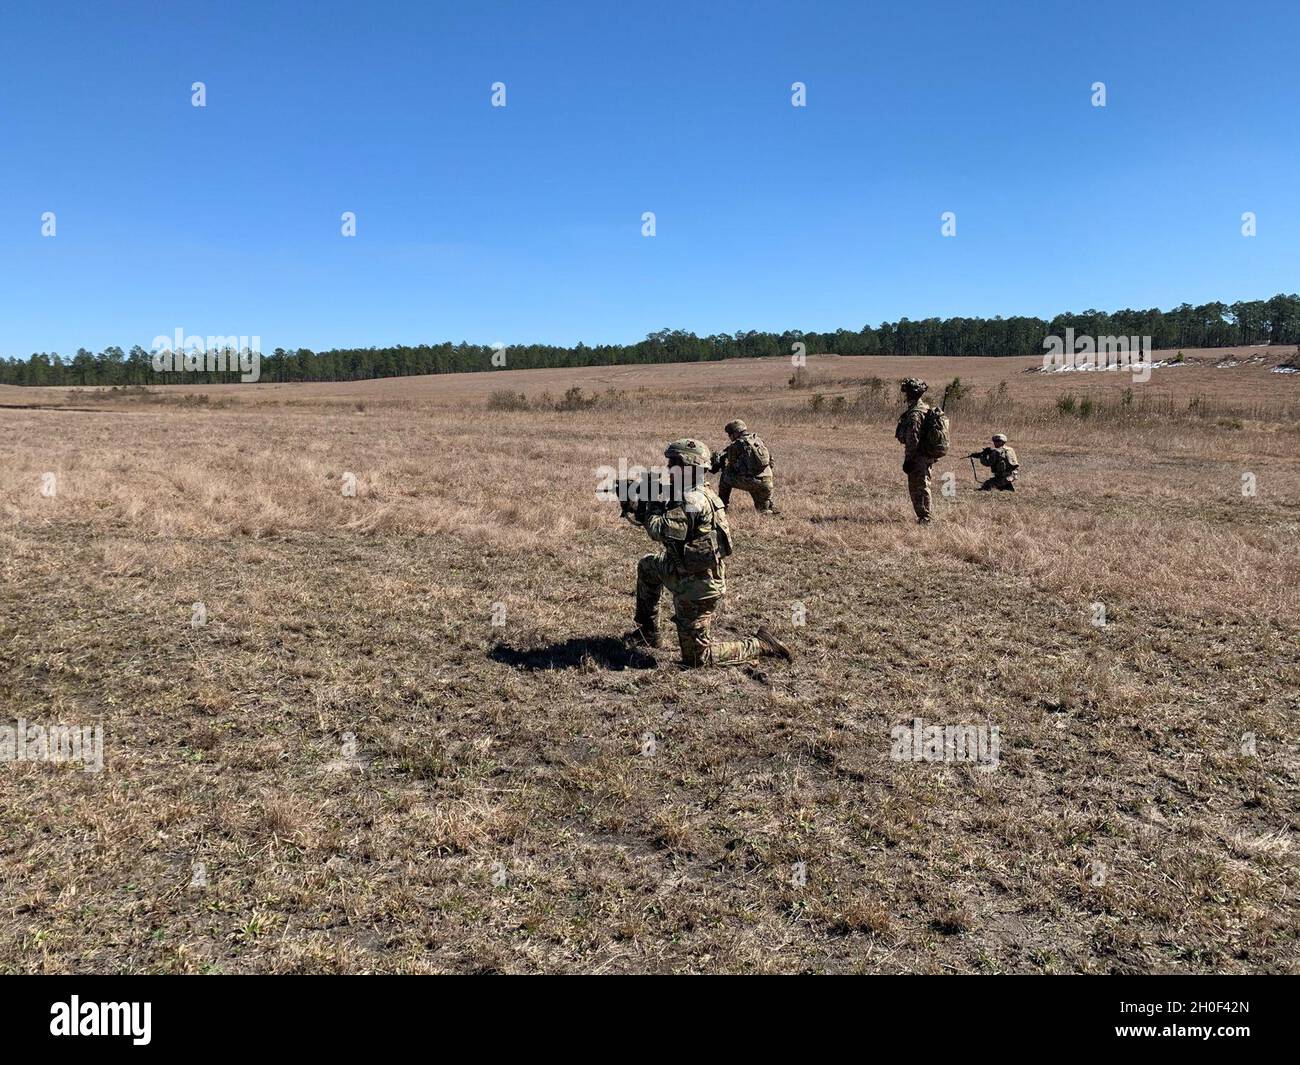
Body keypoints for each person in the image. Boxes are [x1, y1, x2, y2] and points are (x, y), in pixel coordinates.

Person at [626, 438, 793, 667]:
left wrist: (650, 504)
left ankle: (761, 644)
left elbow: (658, 530)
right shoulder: (696, 491)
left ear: (688, 468)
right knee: (648, 566)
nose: (668, 469)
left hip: (698, 587)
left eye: (673, 464)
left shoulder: (691, 501)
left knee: (697, 659)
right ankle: (647, 633)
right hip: (683, 568)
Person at [711, 420, 777, 514]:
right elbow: (771, 463)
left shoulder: (737, 445)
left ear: (736, 433)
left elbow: (731, 467)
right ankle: (767, 507)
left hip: (753, 482)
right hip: (767, 483)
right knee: (762, 510)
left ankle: (722, 508)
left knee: (725, 476)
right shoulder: (757, 440)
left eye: (730, 434)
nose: (729, 437)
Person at [894, 378, 936, 524]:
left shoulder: (915, 414)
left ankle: (925, 517)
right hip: (923, 454)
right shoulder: (925, 408)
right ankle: (923, 515)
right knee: (921, 485)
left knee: (920, 486)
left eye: (907, 393)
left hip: (918, 455)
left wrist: (909, 460)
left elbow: (913, 438)